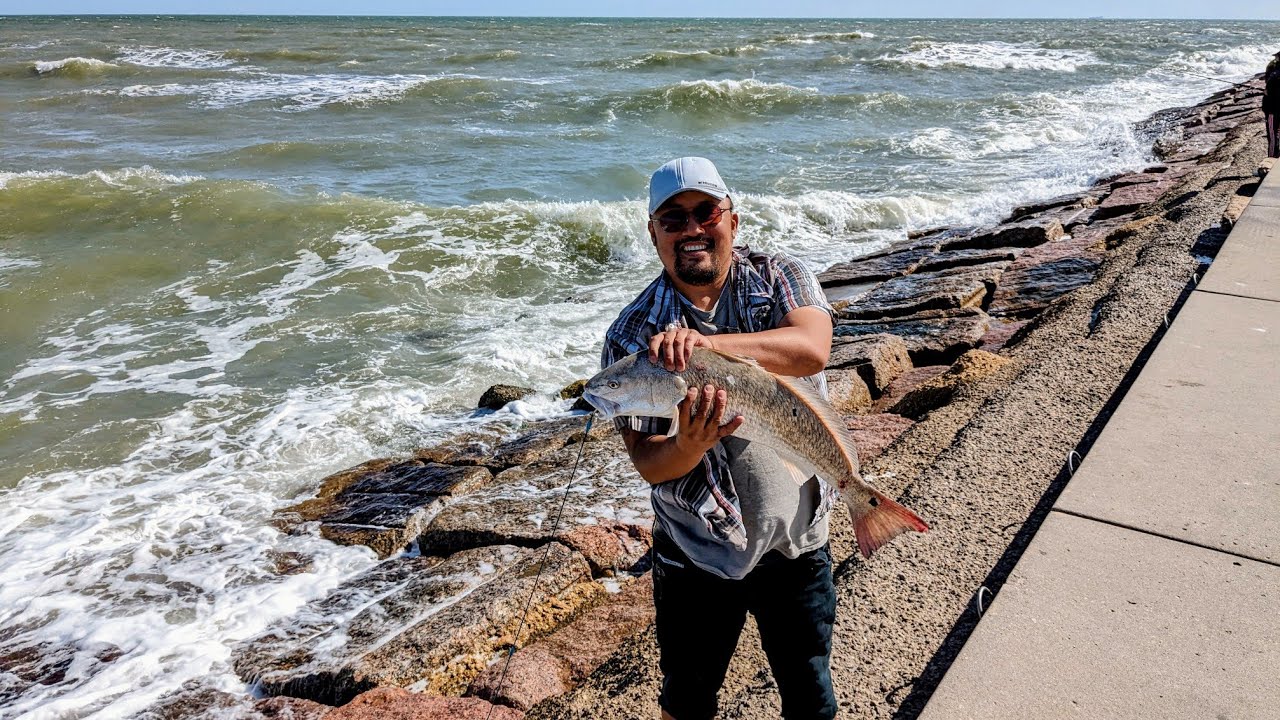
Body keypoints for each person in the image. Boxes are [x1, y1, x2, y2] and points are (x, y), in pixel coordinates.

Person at [601, 157, 839, 720]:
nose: (692, 229)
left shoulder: (779, 276)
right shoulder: (632, 334)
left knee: (809, 691)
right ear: (653, 233)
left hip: (796, 540)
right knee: (687, 699)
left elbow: (812, 348)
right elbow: (651, 467)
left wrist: (708, 351)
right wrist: (691, 442)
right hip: (696, 552)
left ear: (731, 218)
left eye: (705, 211)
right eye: (673, 219)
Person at [1265, 50, 1280, 159]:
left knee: (1272, 135)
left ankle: (1272, 158)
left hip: (1272, 109)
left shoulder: (1273, 71)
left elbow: (1268, 88)